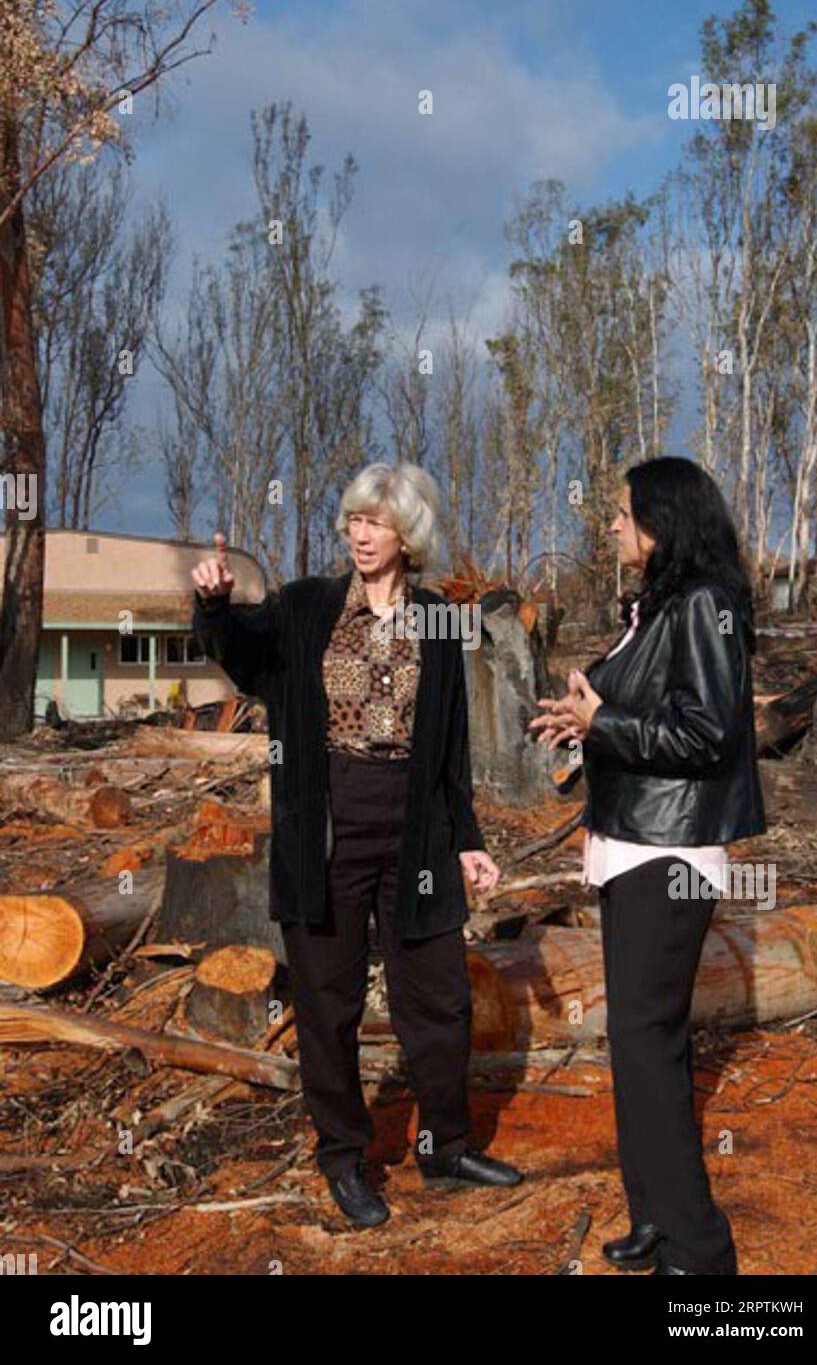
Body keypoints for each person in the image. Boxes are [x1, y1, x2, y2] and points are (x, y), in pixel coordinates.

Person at [191, 462, 522, 1228]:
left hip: (417, 833)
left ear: (409, 532)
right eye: (352, 521)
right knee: (328, 1004)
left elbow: (450, 746)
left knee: (436, 998)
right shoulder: (308, 606)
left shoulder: (438, 619)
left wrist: (465, 839)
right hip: (327, 827)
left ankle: (444, 1149)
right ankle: (344, 1157)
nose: (360, 534)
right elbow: (241, 653)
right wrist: (212, 604)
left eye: (375, 521)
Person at [530, 456, 766, 1276]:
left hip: (669, 852)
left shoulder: (705, 604)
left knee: (646, 1038)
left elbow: (705, 734)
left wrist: (604, 723)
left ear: (662, 520)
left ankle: (699, 1248)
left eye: (623, 514)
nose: (612, 526)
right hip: (631, 843)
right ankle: (653, 1221)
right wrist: (582, 719)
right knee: (635, 1043)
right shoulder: (656, 605)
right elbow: (640, 712)